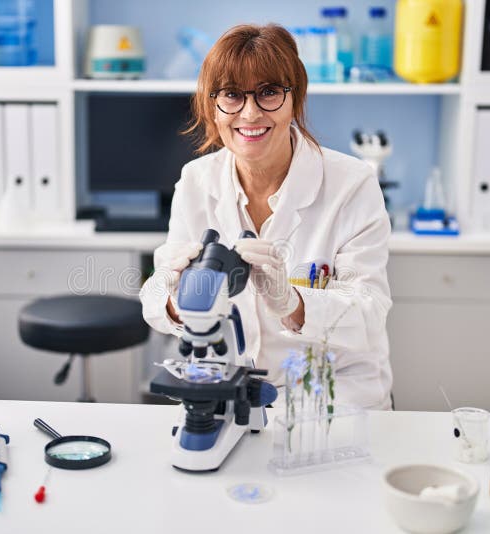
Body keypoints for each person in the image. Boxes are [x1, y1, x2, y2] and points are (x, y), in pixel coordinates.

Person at [139, 24, 393, 410]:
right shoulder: (196, 180)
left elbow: (370, 311)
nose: (250, 112)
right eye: (231, 95)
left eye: (269, 92)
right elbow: (155, 297)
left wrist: (293, 302)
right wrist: (177, 300)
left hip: (334, 400)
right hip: (229, 392)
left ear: (296, 99)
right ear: (213, 105)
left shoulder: (352, 185)